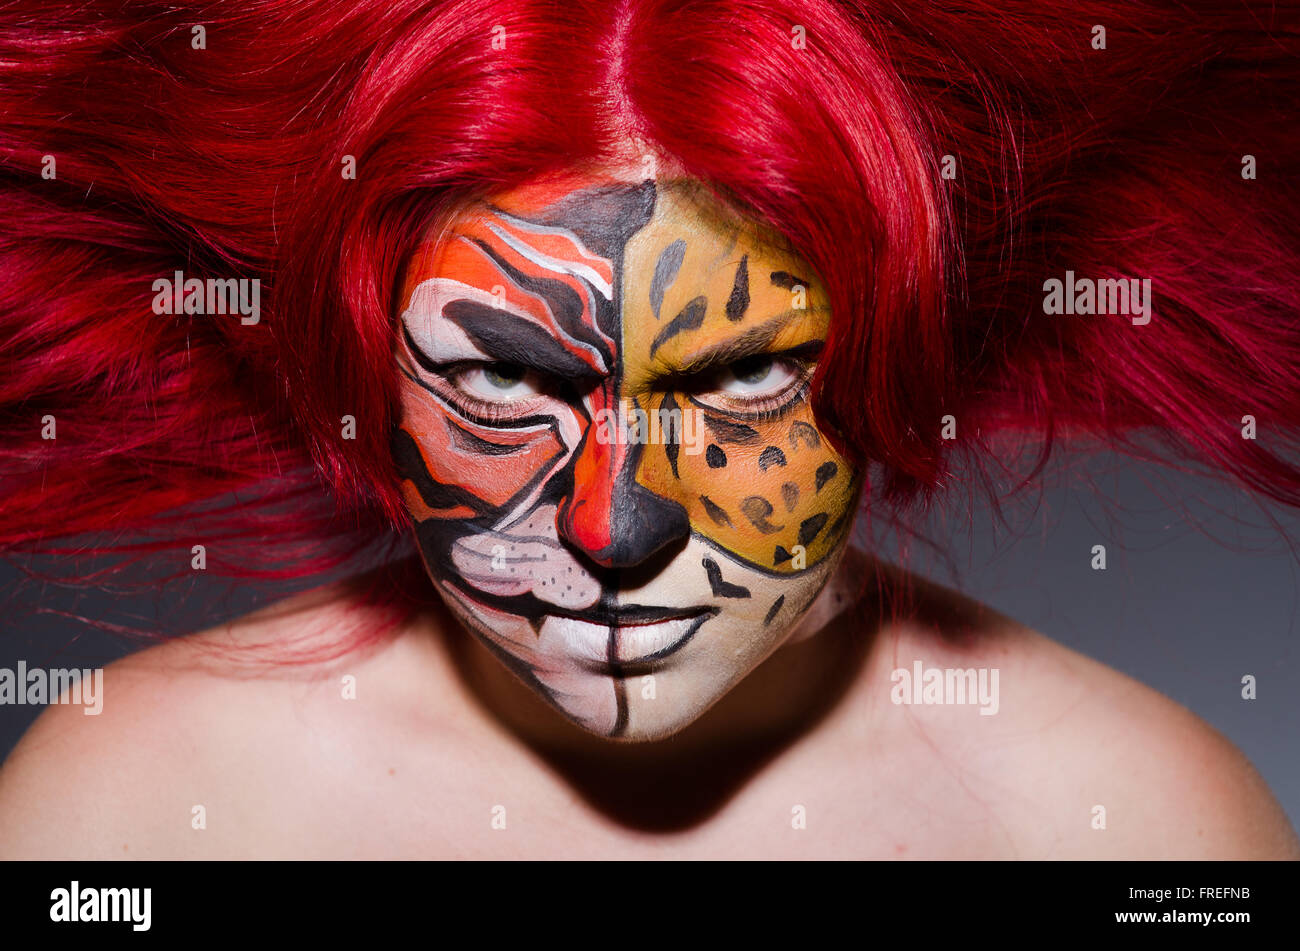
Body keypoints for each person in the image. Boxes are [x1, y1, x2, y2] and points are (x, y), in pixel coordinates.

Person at [1, 0, 1298, 858]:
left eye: (742, 382)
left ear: (902, 357)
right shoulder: (131, 814)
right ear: (363, 378)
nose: (614, 524)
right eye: (501, 384)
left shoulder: (1136, 830)